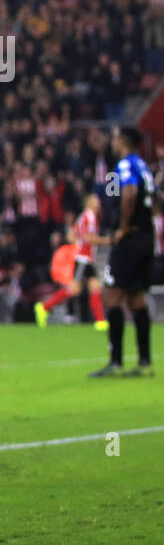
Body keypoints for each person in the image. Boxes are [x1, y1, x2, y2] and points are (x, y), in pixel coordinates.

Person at [90, 127, 155, 377]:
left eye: (116, 138)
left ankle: (116, 363)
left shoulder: (125, 165)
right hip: (146, 238)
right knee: (136, 298)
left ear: (123, 141)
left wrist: (124, 227)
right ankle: (145, 363)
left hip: (129, 239)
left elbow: (128, 193)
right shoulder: (144, 166)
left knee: (112, 296)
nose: (113, 142)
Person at [36, 194, 109, 330]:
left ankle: (100, 321)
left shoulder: (83, 217)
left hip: (86, 258)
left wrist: (80, 242)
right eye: (95, 200)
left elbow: (72, 236)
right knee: (74, 289)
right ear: (88, 203)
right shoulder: (89, 217)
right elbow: (88, 238)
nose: (98, 203)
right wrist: (107, 240)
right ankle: (44, 307)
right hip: (83, 259)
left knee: (94, 286)